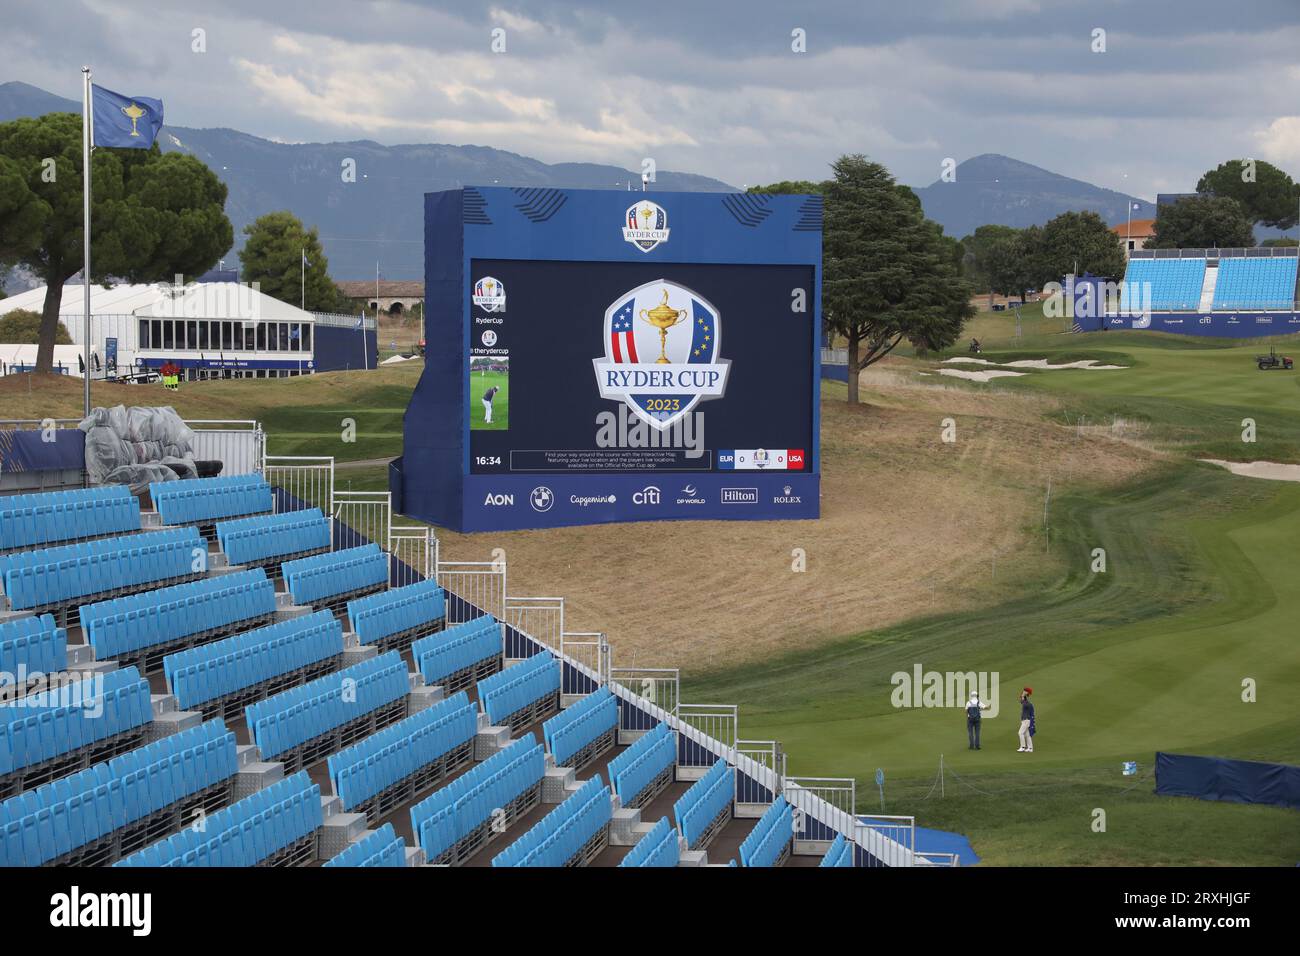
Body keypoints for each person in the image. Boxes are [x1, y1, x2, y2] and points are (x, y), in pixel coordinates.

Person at [1017, 687, 1035, 753]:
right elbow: (1021, 701)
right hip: (1026, 720)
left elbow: (1024, 703)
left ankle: (1023, 747)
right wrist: (1022, 696)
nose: (1023, 691)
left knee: (1020, 733)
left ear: (1027, 692)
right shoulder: (1025, 700)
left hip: (1026, 720)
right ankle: (1030, 748)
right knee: (1027, 735)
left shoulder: (1027, 702)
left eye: (1025, 691)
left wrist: (1023, 696)